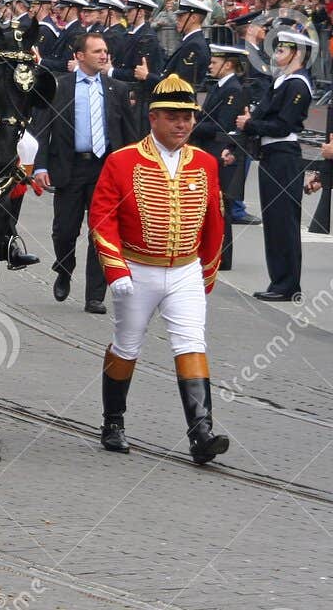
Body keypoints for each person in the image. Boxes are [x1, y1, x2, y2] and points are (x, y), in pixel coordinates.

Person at [90, 74, 228, 463]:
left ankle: (201, 433)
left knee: (192, 342)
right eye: (173, 116)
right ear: (153, 118)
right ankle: (113, 422)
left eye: (188, 117)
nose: (182, 124)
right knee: (127, 344)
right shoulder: (122, 161)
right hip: (138, 268)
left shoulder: (205, 163)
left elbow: (214, 223)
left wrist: (207, 273)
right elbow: (102, 218)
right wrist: (116, 270)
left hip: (185, 269)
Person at [36, 31, 139, 313]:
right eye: (97, 51)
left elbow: (130, 134)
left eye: (105, 51)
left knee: (102, 232)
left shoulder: (117, 89)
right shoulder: (61, 86)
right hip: (70, 166)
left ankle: (95, 295)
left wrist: (133, 170)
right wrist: (40, 165)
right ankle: (64, 267)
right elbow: (42, 128)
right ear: (80, 56)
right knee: (64, 230)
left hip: (105, 170)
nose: (103, 55)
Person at [237, 29, 315, 301]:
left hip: (284, 155)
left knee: (283, 221)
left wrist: (251, 124)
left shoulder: (297, 84)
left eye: (283, 50)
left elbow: (283, 125)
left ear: (298, 54)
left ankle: (288, 285)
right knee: (274, 221)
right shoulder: (283, 81)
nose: (277, 54)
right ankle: (279, 281)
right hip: (272, 153)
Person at [193, 45, 250, 270]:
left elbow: (222, 125)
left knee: (221, 206)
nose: (210, 65)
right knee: (212, 206)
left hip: (220, 151)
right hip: (210, 149)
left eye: (214, 62)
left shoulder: (233, 89)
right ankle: (212, 252)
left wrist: (193, 126)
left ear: (227, 64)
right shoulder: (220, 86)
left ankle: (222, 256)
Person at [162, 0, 213, 93]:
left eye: (181, 16)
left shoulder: (194, 45)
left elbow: (182, 81)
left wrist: (148, 77)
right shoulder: (190, 41)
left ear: (193, 18)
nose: (177, 20)